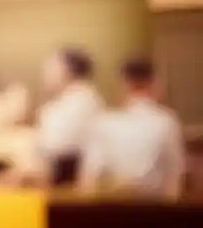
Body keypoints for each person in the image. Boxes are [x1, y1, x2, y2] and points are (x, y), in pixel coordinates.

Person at [80, 59, 188, 199]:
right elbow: (175, 177)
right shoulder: (166, 121)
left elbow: (89, 180)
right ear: (155, 84)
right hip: (155, 209)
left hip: (111, 207)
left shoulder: (104, 123)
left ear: (123, 84)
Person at [35, 48, 104, 186]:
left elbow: (56, 146)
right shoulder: (68, 100)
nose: (45, 74)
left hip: (70, 181)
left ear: (67, 70)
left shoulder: (82, 100)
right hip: (60, 175)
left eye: (51, 68)